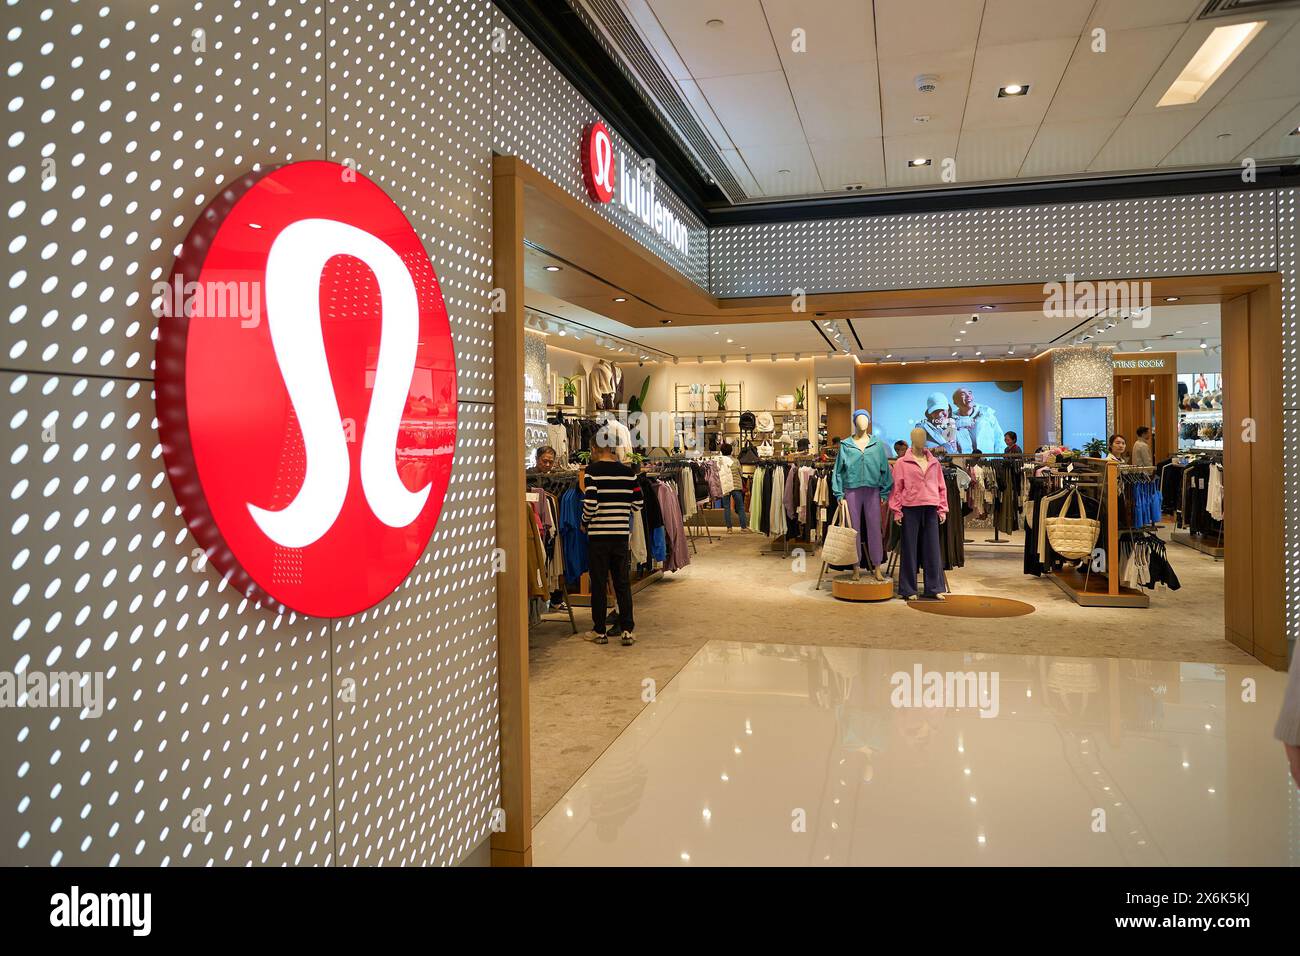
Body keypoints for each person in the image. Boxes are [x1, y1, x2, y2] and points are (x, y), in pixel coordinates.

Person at [580, 439, 643, 646]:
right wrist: (622, 512)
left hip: (599, 535)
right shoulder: (629, 472)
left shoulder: (592, 471)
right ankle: (627, 630)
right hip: (620, 535)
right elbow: (638, 502)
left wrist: (584, 522)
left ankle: (599, 631)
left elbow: (590, 503)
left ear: (596, 448)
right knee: (622, 583)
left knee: (598, 583)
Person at [951, 385, 1003, 454]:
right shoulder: (951, 421)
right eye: (963, 394)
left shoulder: (987, 415)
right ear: (955, 402)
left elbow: (999, 439)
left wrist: (998, 460)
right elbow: (949, 445)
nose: (968, 396)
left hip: (988, 461)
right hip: (962, 462)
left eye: (969, 393)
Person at [717, 442, 747, 531]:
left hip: (725, 486)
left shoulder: (720, 462)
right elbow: (740, 473)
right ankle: (743, 527)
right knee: (740, 506)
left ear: (722, 451)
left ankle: (729, 528)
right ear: (731, 451)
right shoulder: (735, 461)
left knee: (726, 507)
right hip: (736, 486)